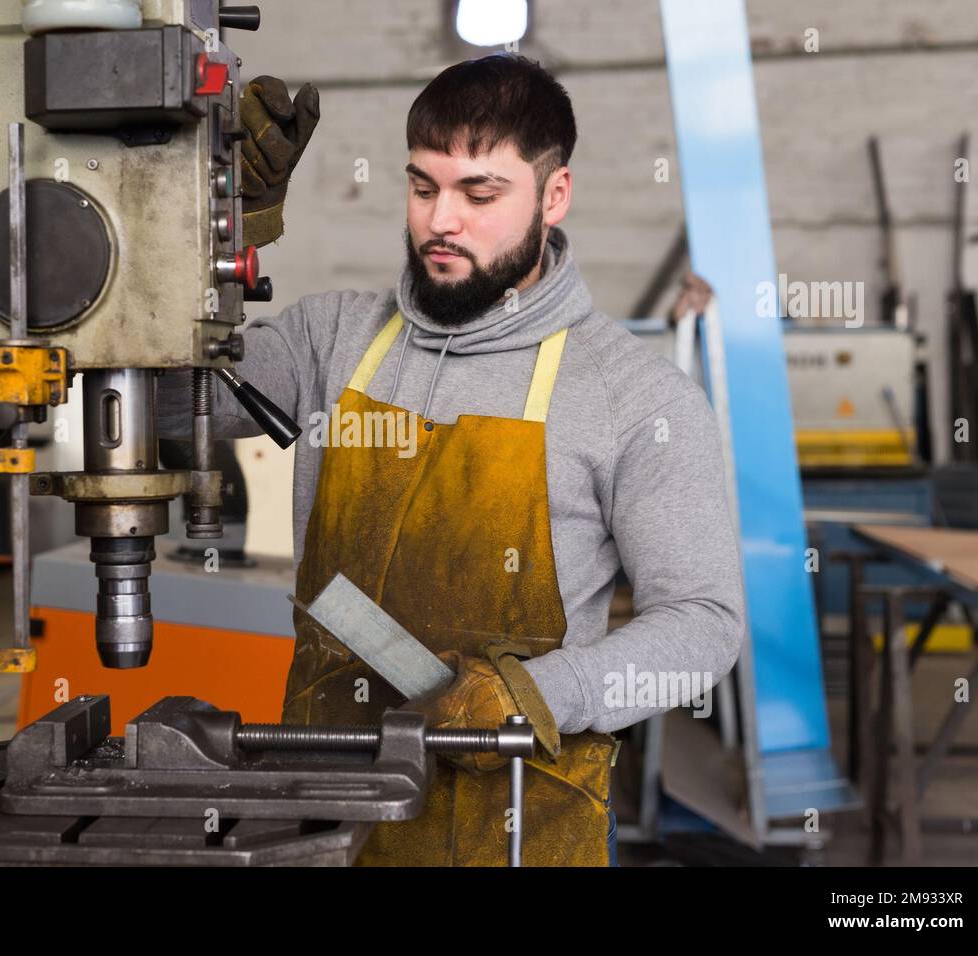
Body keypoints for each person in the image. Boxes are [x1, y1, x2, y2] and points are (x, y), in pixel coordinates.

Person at [159, 55, 745, 866]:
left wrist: (539, 694)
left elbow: (704, 627)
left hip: (519, 820)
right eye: (424, 186)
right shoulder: (330, 339)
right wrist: (213, 227)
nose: (442, 220)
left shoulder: (634, 395)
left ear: (555, 195)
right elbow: (164, 408)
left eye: (480, 194)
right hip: (323, 815)